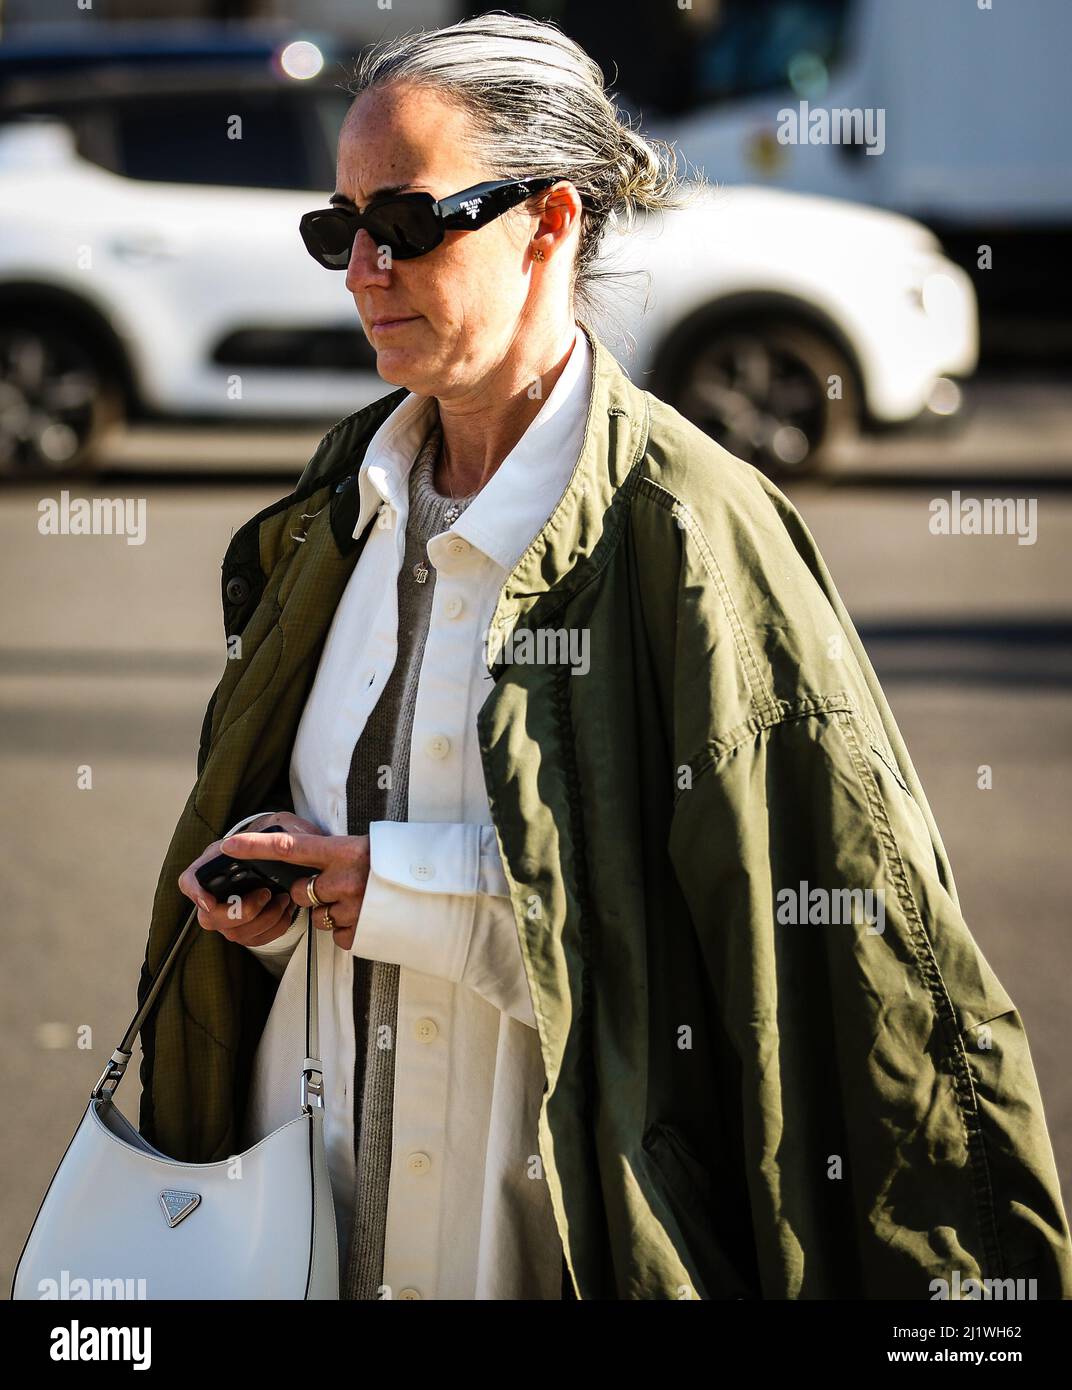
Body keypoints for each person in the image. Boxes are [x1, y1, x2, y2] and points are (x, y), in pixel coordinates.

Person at [137, 13, 1072, 1300]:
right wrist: (263, 896)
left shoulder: (695, 527)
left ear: (551, 222)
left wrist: (406, 889)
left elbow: (814, 946)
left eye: (405, 221)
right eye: (334, 226)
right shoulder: (338, 501)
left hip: (553, 1246)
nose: (360, 266)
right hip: (294, 1238)